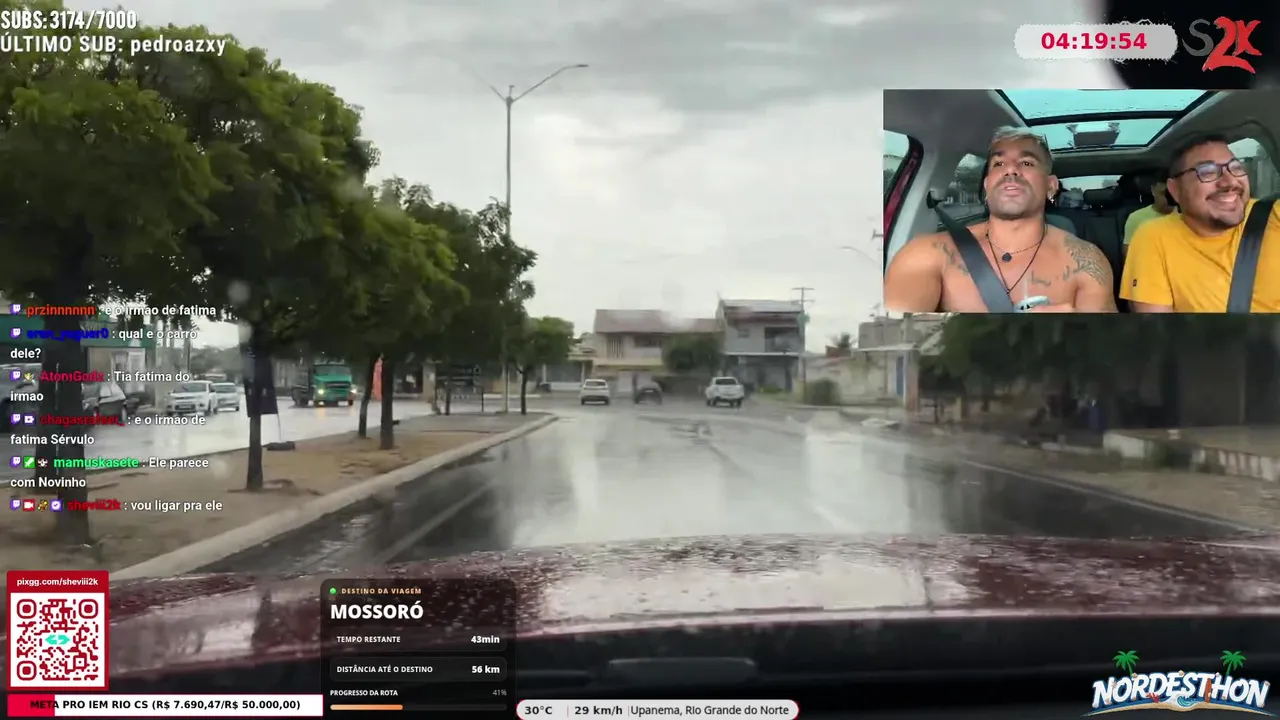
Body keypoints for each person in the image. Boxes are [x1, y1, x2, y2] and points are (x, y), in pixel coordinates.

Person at [883, 127, 1116, 313]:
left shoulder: (1087, 261)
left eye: (1027, 163)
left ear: (1051, 186)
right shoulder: (926, 253)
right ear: (986, 185)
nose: (1010, 170)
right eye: (999, 163)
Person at [1121, 134, 1280, 313]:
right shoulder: (1153, 236)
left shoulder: (1275, 214)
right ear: (1175, 190)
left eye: (1236, 168)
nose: (1230, 182)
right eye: (1207, 172)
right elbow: (1157, 326)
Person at [1122, 177, 1176, 246]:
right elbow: (1128, 250)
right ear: (1153, 190)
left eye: (1171, 195)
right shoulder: (1136, 218)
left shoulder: (1185, 216)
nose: (1168, 199)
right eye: (1163, 193)